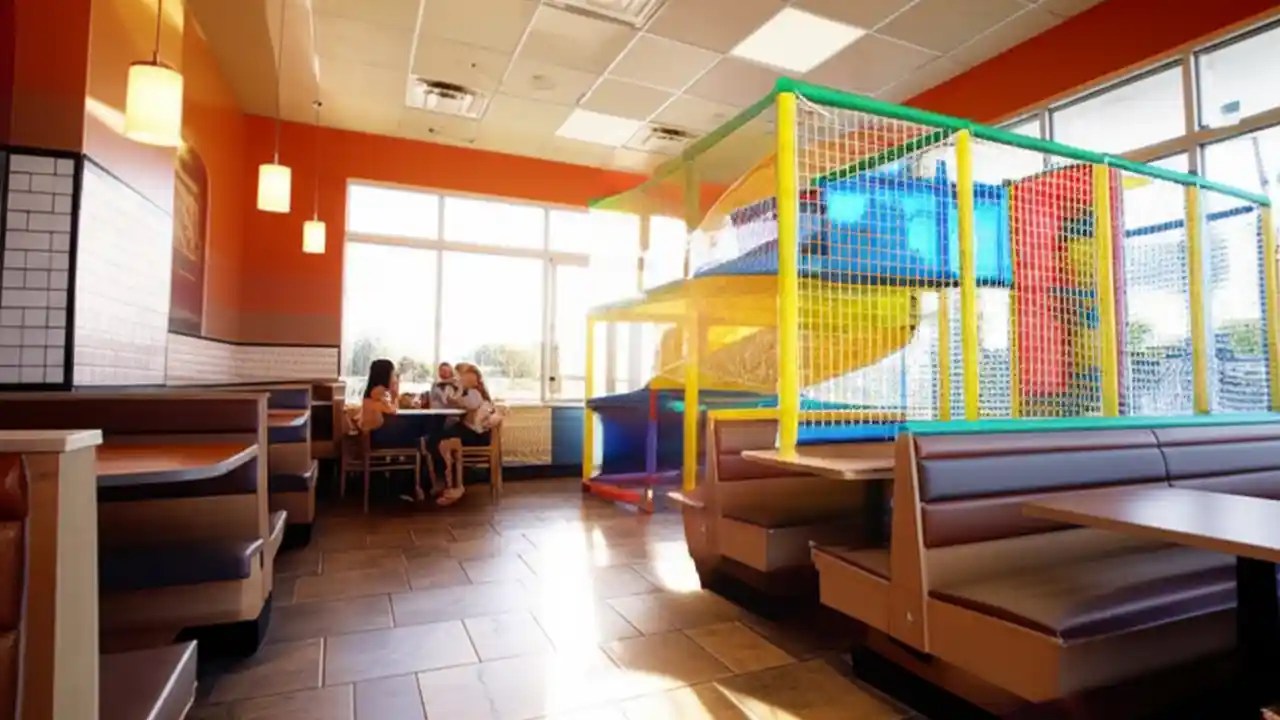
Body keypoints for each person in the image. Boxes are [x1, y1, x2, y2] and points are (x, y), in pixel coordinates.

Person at [435, 362, 503, 506]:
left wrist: (458, 389)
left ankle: (455, 486)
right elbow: (451, 402)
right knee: (442, 436)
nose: (456, 379)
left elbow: (465, 405)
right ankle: (446, 483)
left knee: (447, 438)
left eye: (459, 376)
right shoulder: (469, 392)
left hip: (477, 435)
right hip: (470, 431)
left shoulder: (475, 394)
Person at [348, 358, 399, 434]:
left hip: (373, 434)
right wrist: (395, 395)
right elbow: (392, 411)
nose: (395, 379)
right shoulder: (377, 392)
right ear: (385, 376)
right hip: (374, 436)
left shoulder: (375, 391)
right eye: (393, 374)